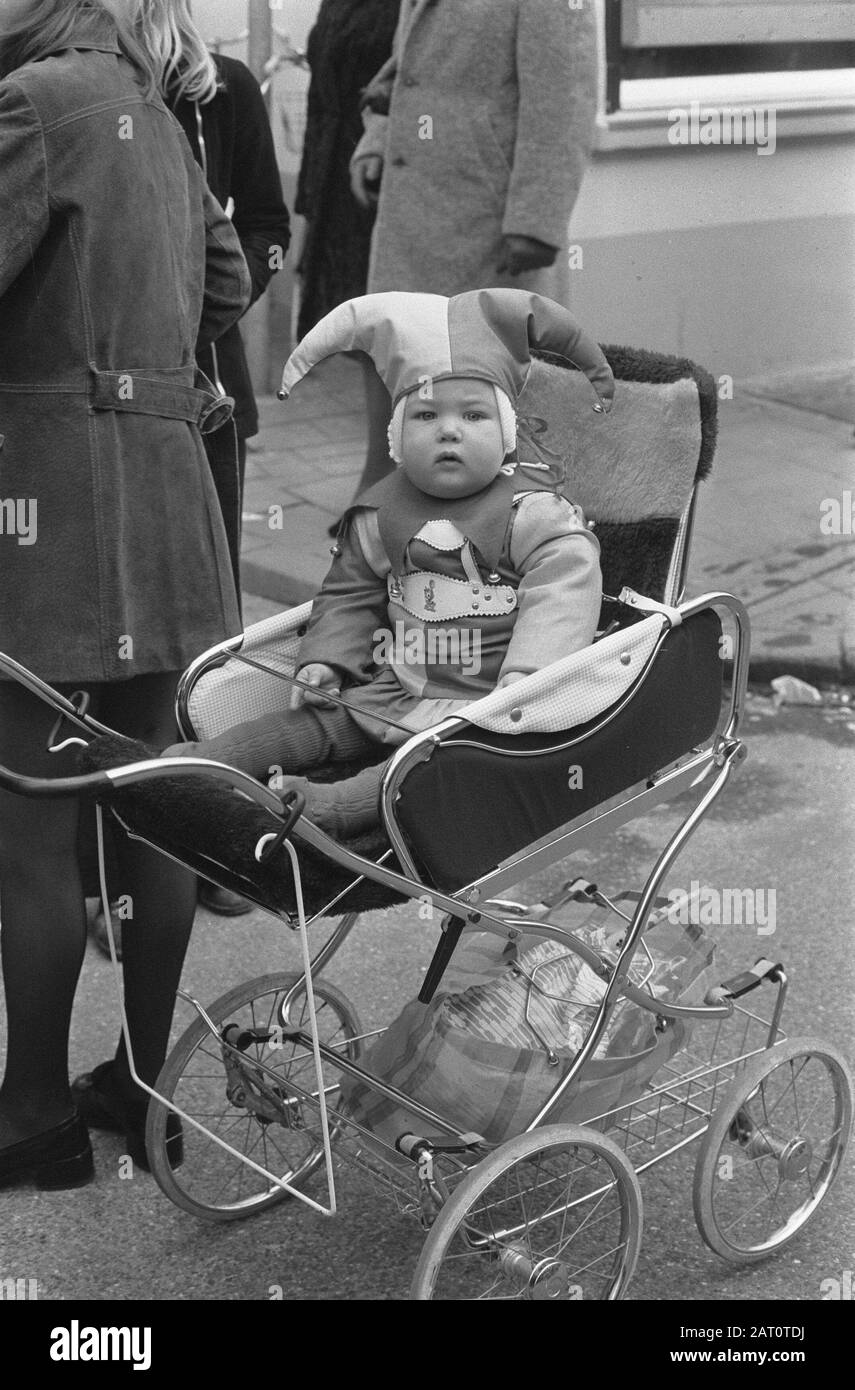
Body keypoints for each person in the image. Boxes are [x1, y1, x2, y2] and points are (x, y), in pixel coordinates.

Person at [0, 0, 249, 1188]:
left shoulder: (38, 102)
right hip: (163, 500)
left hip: (54, 519)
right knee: (143, 807)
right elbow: (227, 286)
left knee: (33, 828)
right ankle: (144, 1098)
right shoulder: (161, 111)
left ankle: (35, 1118)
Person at [164, 288, 614, 837]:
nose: (449, 430)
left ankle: (321, 809)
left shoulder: (535, 513)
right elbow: (351, 593)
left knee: (423, 769)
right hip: (393, 687)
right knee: (315, 722)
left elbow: (564, 593)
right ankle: (202, 761)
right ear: (396, 438)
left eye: (474, 414)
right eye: (425, 415)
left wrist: (525, 681)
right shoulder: (381, 513)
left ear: (507, 433)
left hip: (487, 711)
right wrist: (328, 658)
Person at [344, 0, 598, 501]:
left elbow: (563, 98)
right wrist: (377, 139)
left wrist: (535, 221)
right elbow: (403, 70)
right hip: (413, 211)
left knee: (482, 396)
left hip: (485, 224)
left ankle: (491, 537)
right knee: (399, 359)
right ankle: (392, 499)